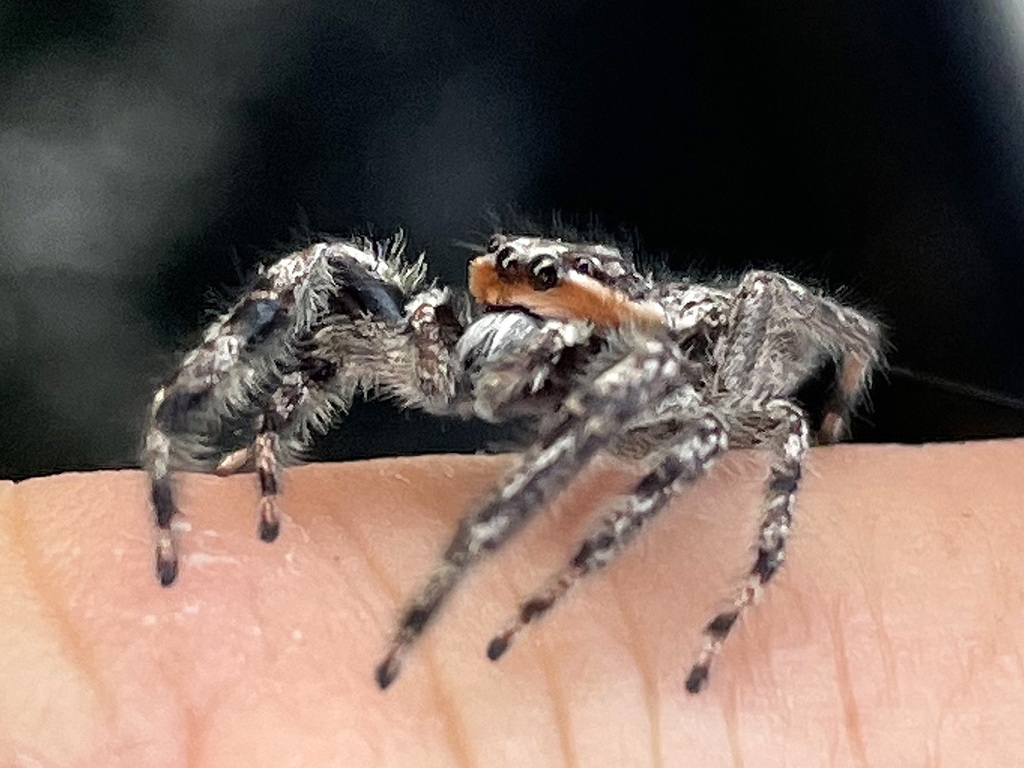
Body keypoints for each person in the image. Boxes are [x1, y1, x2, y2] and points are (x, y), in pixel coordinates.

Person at [2, 441, 1022, 766]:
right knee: (318, 273)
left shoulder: (661, 364)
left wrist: (560, 582)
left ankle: (506, 590)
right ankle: (241, 451)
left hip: (667, 391)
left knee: (754, 427)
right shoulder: (489, 322)